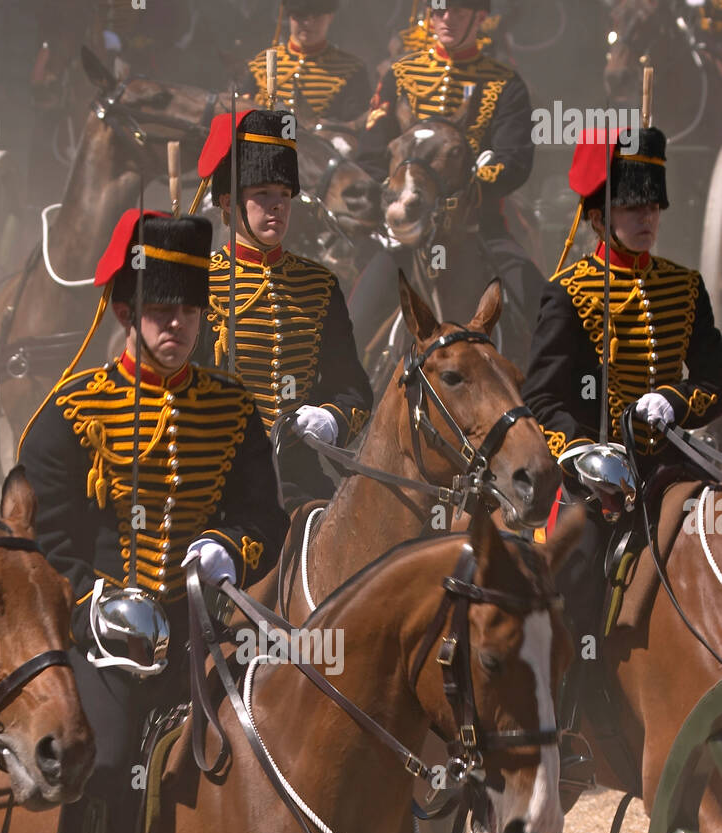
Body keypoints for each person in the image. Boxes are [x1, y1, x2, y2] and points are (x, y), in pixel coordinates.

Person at [18, 211, 289, 833]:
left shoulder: (232, 411)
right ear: (128, 313)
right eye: (162, 311)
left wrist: (228, 548)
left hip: (201, 623)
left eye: (190, 311)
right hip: (101, 632)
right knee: (98, 758)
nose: (178, 325)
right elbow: (41, 536)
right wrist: (90, 604)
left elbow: (264, 518)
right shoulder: (74, 412)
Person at [522, 124, 722, 718]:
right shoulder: (569, 292)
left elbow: (714, 379)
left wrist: (675, 401)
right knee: (575, 572)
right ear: (598, 216)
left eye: (652, 203)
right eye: (631, 204)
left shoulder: (686, 288)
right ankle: (569, 713)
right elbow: (542, 397)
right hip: (598, 478)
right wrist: (582, 450)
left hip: (676, 462)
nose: (646, 217)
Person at [351, 0, 544, 364]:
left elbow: (515, 158)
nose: (446, 18)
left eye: (457, 10)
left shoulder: (505, 83)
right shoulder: (399, 76)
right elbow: (371, 155)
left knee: (543, 309)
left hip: (477, 225)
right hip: (407, 231)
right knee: (353, 322)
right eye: (438, 9)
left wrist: (470, 190)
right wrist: (394, 198)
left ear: (481, 17)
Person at [197, 106, 373, 506]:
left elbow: (353, 388)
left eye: (284, 196)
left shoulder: (319, 286)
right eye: (262, 195)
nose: (276, 206)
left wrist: (330, 419)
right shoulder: (201, 282)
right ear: (228, 202)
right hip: (217, 481)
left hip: (299, 481)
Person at [242, 1, 372, 121]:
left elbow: (354, 126)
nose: (308, 24)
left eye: (317, 17)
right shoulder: (262, 65)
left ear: (330, 17)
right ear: (290, 17)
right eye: (300, 16)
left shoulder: (352, 70)